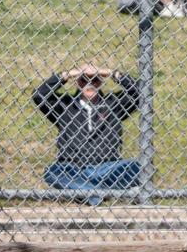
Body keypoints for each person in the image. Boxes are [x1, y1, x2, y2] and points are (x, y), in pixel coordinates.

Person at [32, 64, 141, 205]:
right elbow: (39, 95)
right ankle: (101, 194)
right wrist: (69, 74)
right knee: (53, 172)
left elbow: (141, 92)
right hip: (73, 169)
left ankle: (85, 192)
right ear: (77, 82)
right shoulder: (64, 105)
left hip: (108, 167)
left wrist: (110, 72)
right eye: (84, 80)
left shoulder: (113, 104)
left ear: (101, 82)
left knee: (140, 166)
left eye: (94, 80)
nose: (89, 84)